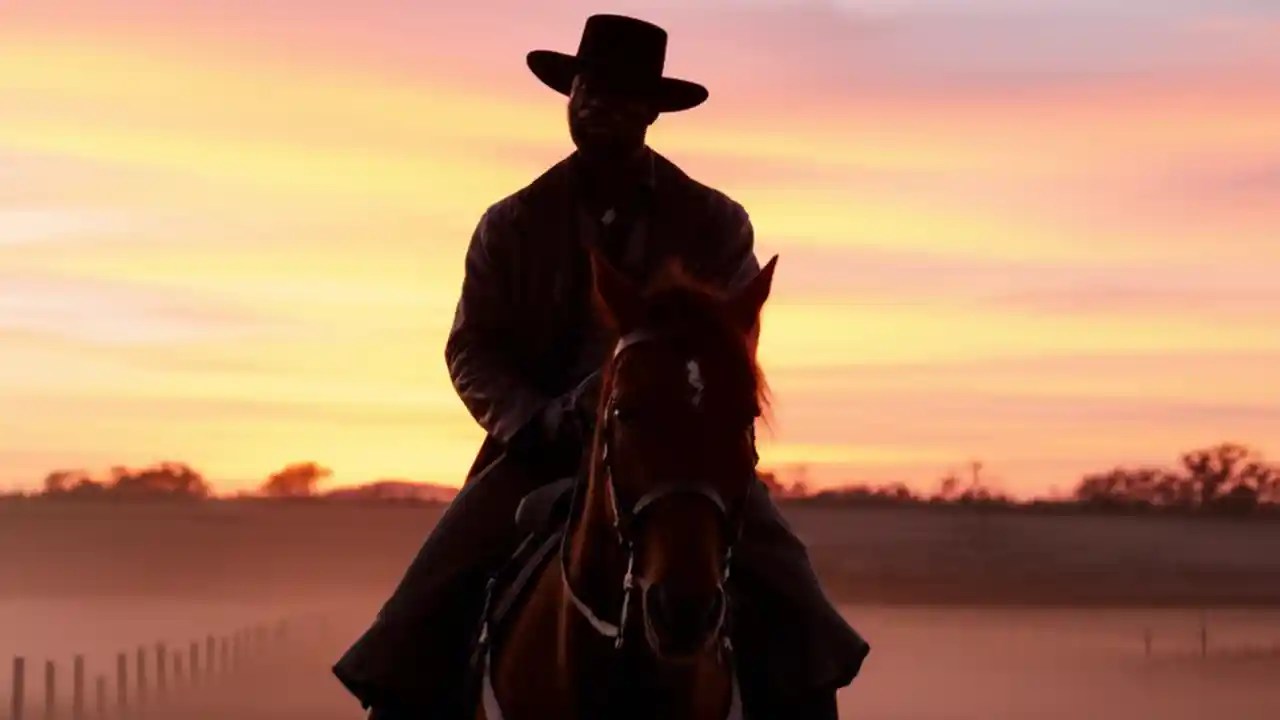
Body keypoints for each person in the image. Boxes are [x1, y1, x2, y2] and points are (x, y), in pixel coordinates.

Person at [332, 14, 869, 719]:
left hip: (680, 450)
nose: (594, 104)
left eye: (617, 95)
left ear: (650, 112)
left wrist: (670, 405)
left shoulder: (714, 221)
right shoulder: (513, 222)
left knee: (794, 600)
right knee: (425, 601)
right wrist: (541, 418)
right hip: (537, 450)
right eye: (585, 88)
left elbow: (730, 342)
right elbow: (470, 349)